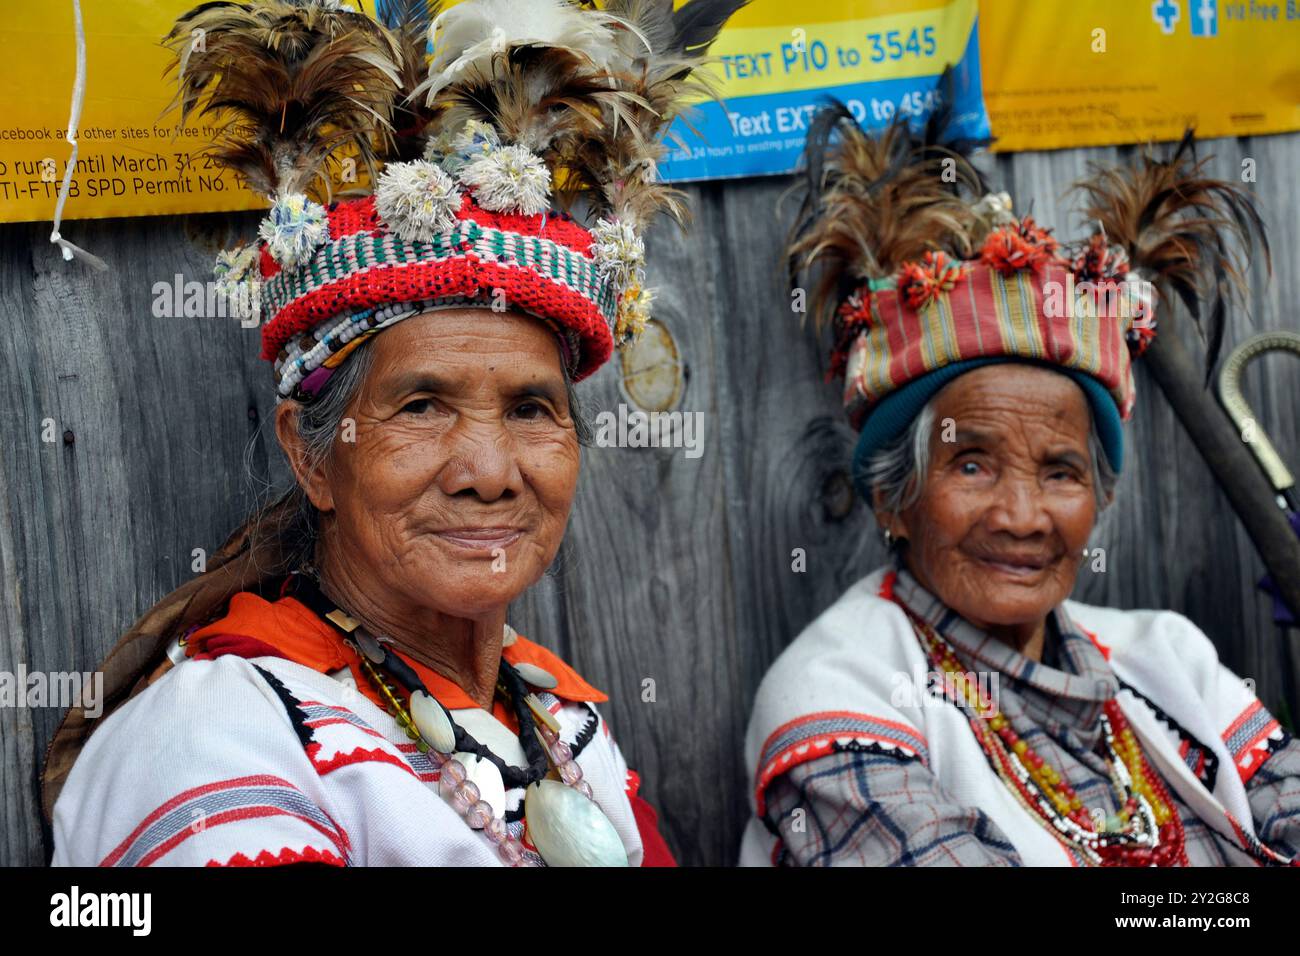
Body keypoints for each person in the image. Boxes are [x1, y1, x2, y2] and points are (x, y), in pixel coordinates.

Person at [43, 0, 746, 867]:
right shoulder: (221, 740)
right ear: (311, 454)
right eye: (421, 407)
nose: (490, 472)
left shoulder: (560, 721)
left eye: (531, 409)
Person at [740, 106, 1300, 866]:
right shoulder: (839, 692)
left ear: (1100, 497)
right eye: (971, 464)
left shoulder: (1169, 658)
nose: (1022, 516)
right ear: (890, 496)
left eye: (1062, 471)